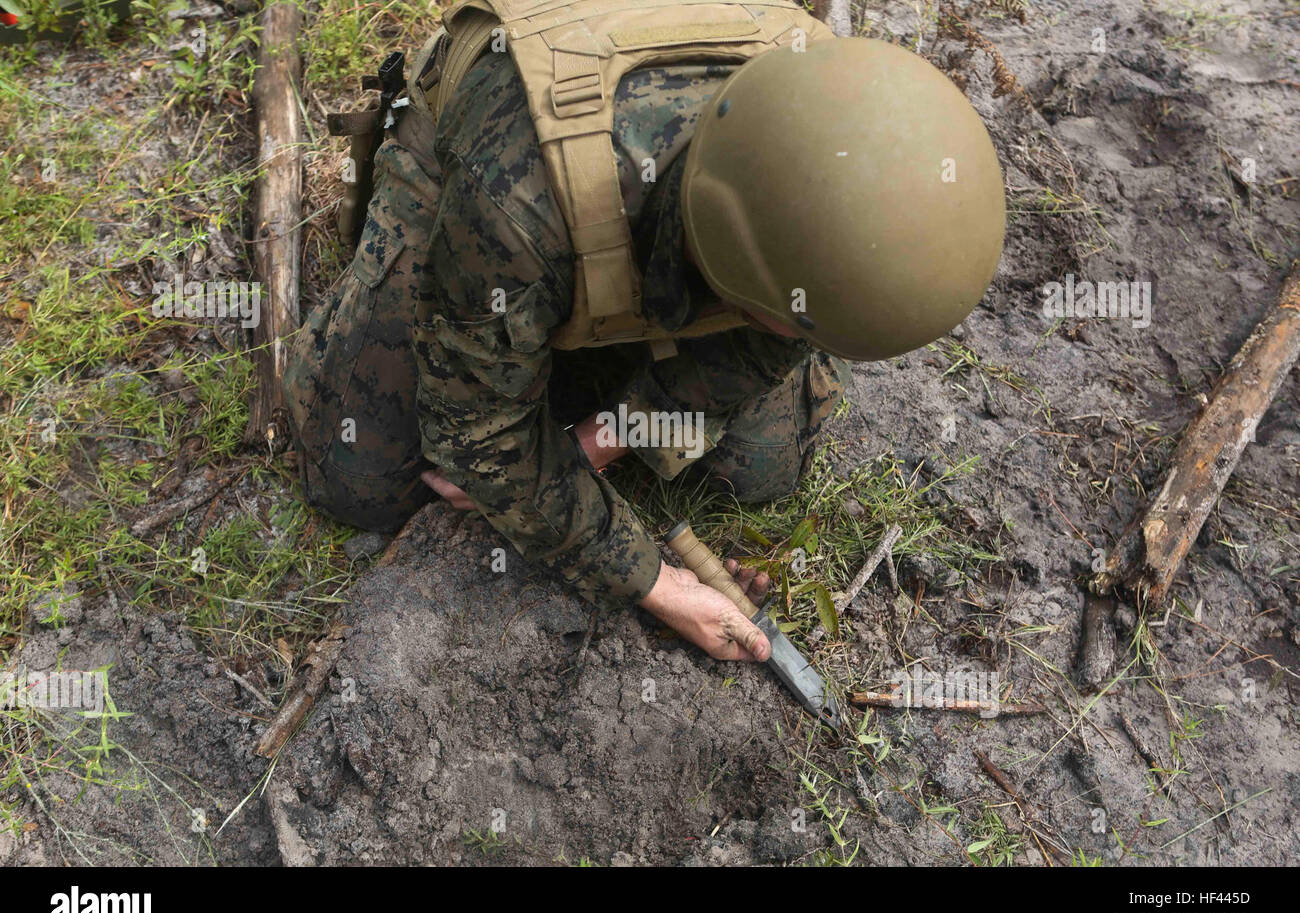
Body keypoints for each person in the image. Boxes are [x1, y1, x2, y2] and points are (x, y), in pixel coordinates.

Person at [284, 0, 1005, 665]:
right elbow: (475, 434)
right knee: (363, 481)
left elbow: (762, 347)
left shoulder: (811, 154)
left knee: (760, 469)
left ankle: (567, 346)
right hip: (499, 149)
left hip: (678, 221)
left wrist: (599, 439)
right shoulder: (517, 198)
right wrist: (654, 583)